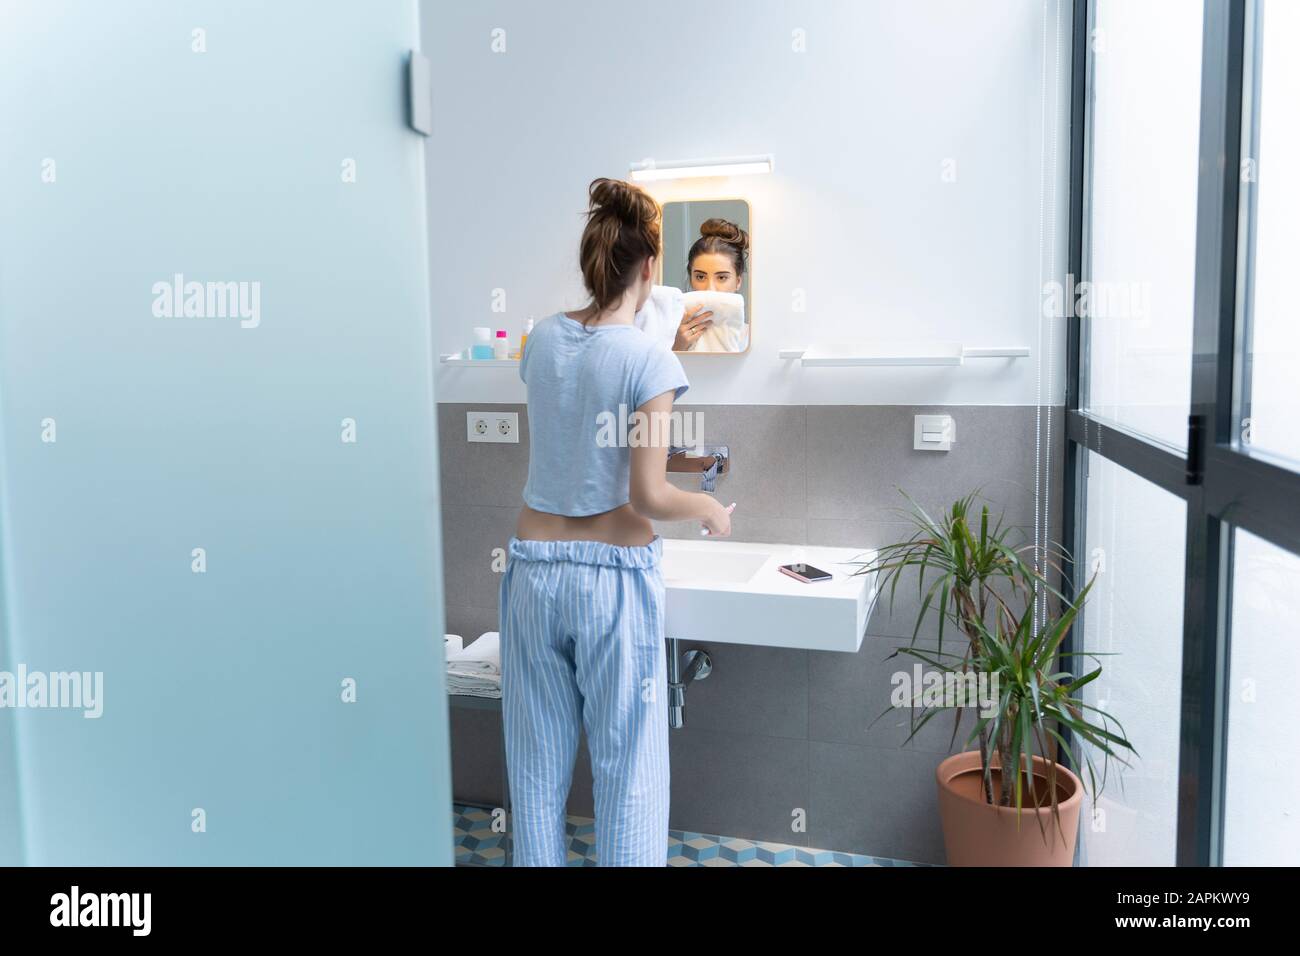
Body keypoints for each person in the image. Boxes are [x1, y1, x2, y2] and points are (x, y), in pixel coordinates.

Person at [499, 177, 733, 866]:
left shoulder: (541, 340)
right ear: (652, 268)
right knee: (628, 776)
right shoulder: (647, 358)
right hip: (611, 585)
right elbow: (651, 495)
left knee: (536, 777)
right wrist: (710, 508)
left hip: (532, 576)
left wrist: (662, 354)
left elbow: (584, 399)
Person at [673, 217, 751, 352]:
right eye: (700, 277)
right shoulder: (670, 333)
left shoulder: (751, 339)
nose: (710, 288)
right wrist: (677, 347)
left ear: (738, 282)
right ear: (691, 278)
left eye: (721, 277)